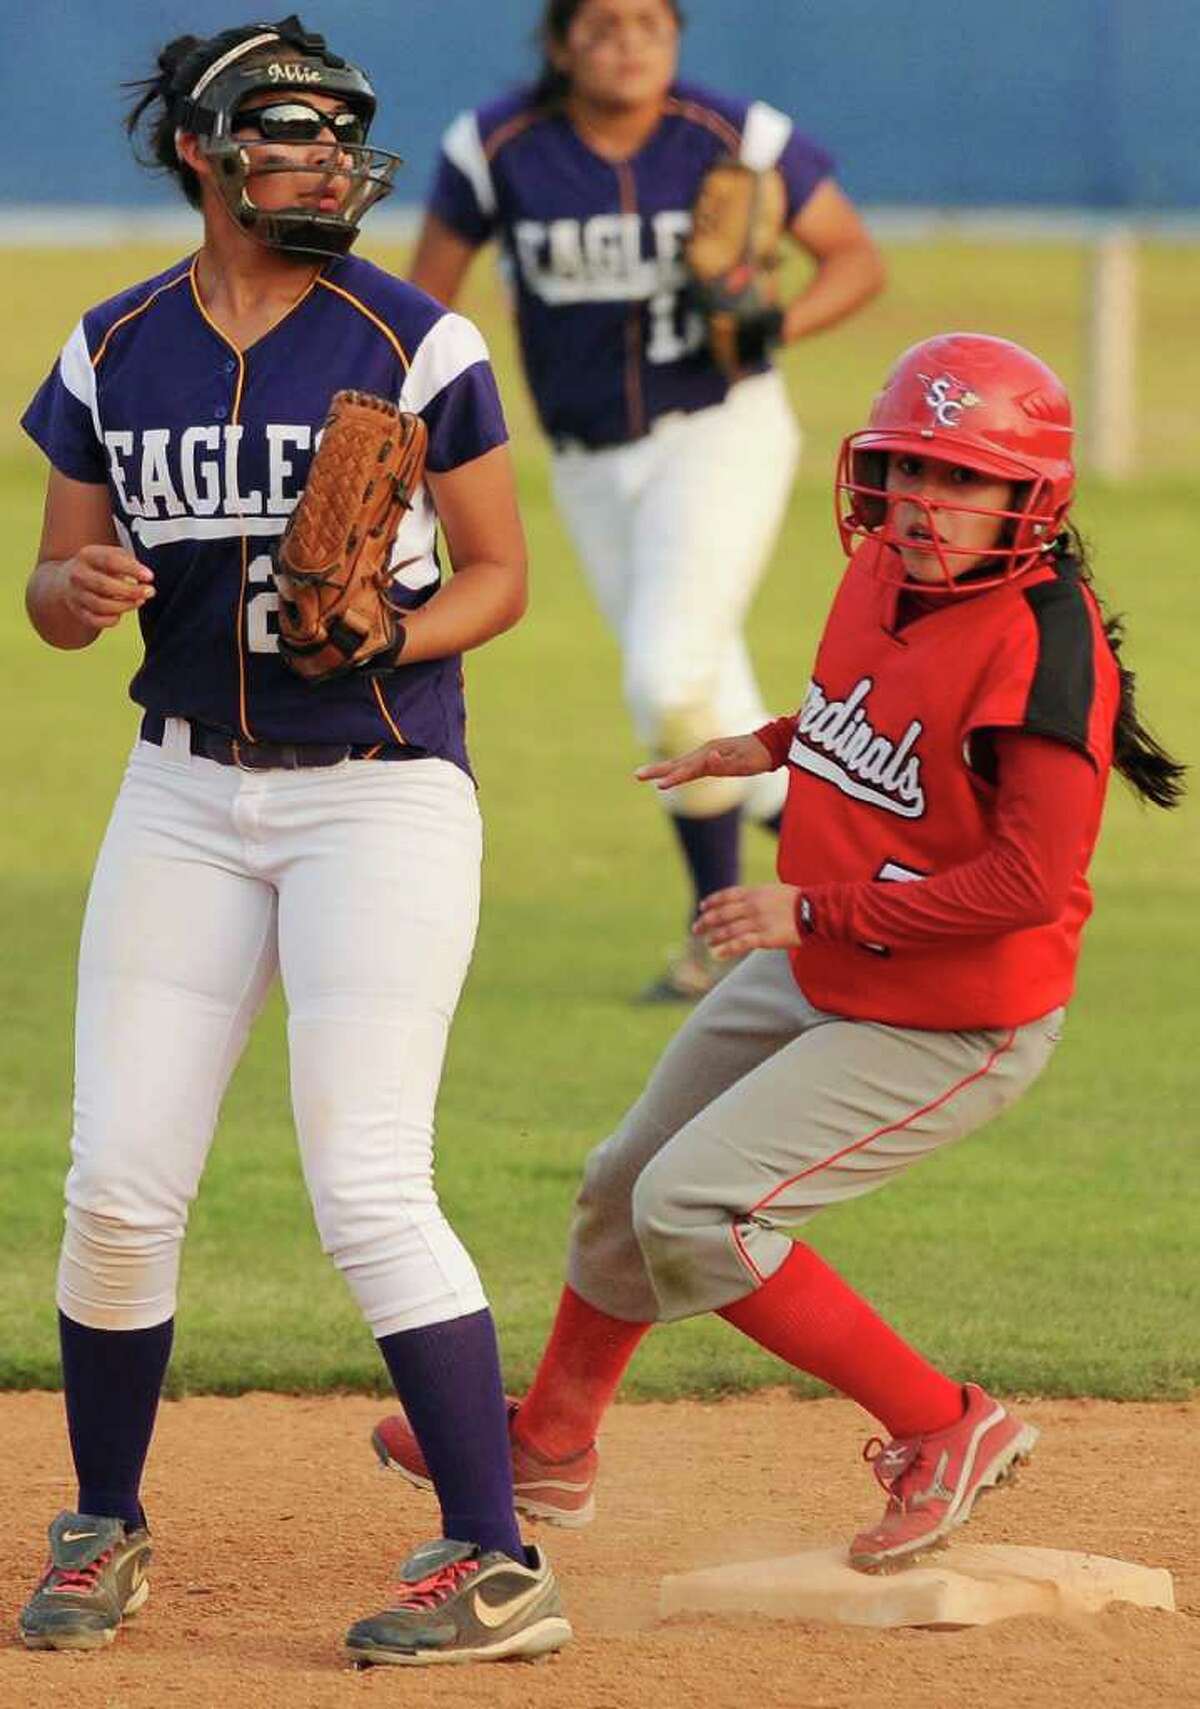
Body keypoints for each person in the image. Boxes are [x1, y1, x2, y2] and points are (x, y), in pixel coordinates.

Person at [372, 331, 1186, 1569]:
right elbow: (877, 712)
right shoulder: (884, 572)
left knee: (696, 1208)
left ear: (1034, 497)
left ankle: (948, 1423)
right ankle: (552, 1444)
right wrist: (768, 744)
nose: (922, 500)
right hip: (834, 960)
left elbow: (1028, 882)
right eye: (908, 466)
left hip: (958, 1014)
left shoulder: (1044, 645)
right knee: (620, 1182)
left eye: (962, 478)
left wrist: (809, 911)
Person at [17, 14, 571, 1666]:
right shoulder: (109, 347)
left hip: (379, 792)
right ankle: (104, 1518)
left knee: (365, 1178)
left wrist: (385, 636)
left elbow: (498, 576)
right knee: (117, 1180)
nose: (331, 157)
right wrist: (80, 590)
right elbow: (54, 590)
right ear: (201, 148)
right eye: (292, 130)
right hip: (181, 791)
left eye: (344, 132)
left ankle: (498, 1554)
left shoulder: (414, 341)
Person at [411, 0, 885, 999]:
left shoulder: (732, 133)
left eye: (650, 23)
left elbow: (857, 259)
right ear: (559, 42)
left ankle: (774, 909)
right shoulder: (496, 146)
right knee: (703, 697)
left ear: (676, 39)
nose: (629, 43)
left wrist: (769, 325)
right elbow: (426, 308)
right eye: (605, 24)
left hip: (720, 429)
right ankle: (857, 869)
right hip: (589, 462)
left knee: (667, 679)